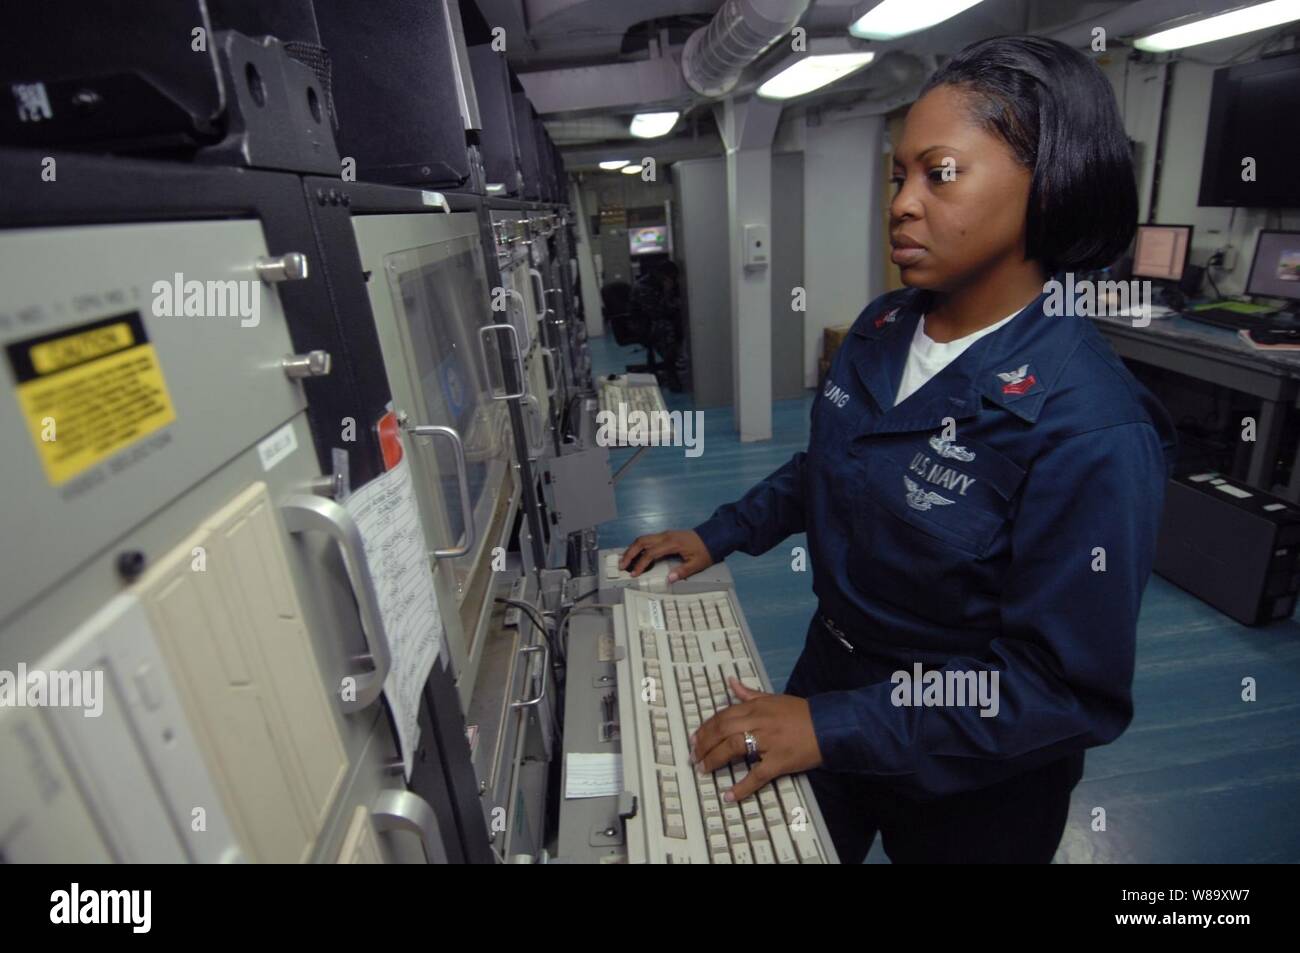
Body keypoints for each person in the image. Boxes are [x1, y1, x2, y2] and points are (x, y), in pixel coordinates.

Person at [618, 35, 1178, 864]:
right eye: (898, 175)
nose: (903, 204)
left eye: (939, 173)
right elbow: (830, 470)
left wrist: (834, 724)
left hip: (974, 774)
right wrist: (719, 532)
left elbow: (1062, 689)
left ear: (1048, 185)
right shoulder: (883, 328)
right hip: (833, 670)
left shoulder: (1090, 424)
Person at [628, 258, 684, 389]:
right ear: (661, 275)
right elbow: (658, 312)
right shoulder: (644, 287)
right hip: (641, 325)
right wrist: (668, 291)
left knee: (674, 323)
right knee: (665, 328)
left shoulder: (657, 283)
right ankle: (671, 370)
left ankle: (674, 359)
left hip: (653, 320)